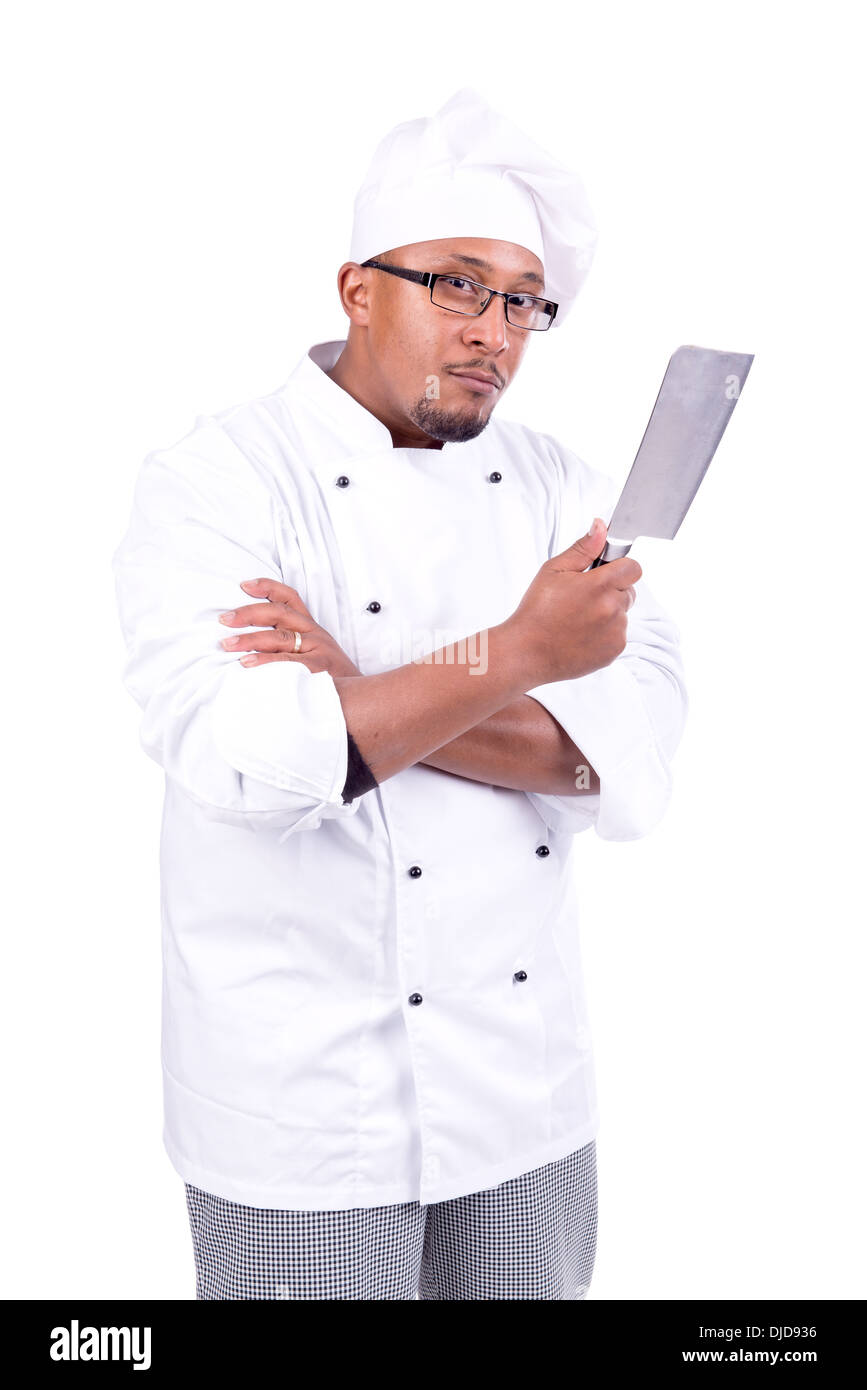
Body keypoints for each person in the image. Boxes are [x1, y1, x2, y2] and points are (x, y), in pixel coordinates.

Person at [111, 88, 688, 1301]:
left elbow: (626, 756)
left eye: (524, 302)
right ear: (357, 287)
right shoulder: (218, 483)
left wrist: (367, 694)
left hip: (526, 1100)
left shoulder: (562, 490)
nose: (496, 331)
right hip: (305, 1116)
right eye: (458, 284)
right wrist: (522, 659)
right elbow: (261, 761)